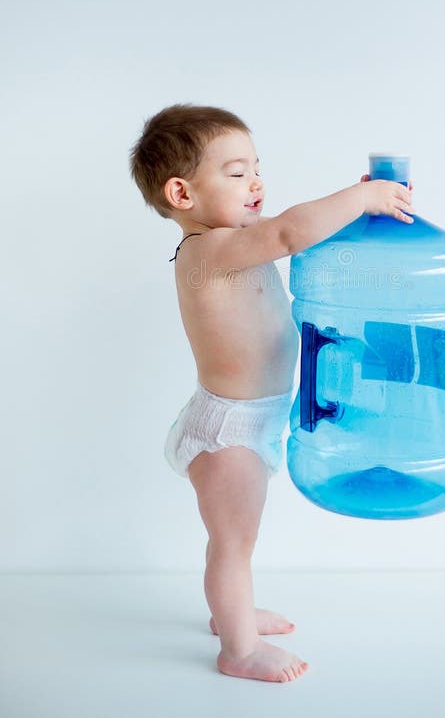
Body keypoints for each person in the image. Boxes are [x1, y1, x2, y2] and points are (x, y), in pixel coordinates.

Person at [129, 104, 414, 683]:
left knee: (240, 539)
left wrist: (352, 206)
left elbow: (290, 229)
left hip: (253, 419)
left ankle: (231, 610)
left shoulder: (236, 243)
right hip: (229, 429)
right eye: (236, 173)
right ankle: (238, 648)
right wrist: (360, 199)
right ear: (182, 194)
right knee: (232, 543)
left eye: (257, 167)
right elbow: (288, 232)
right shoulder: (208, 252)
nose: (255, 181)